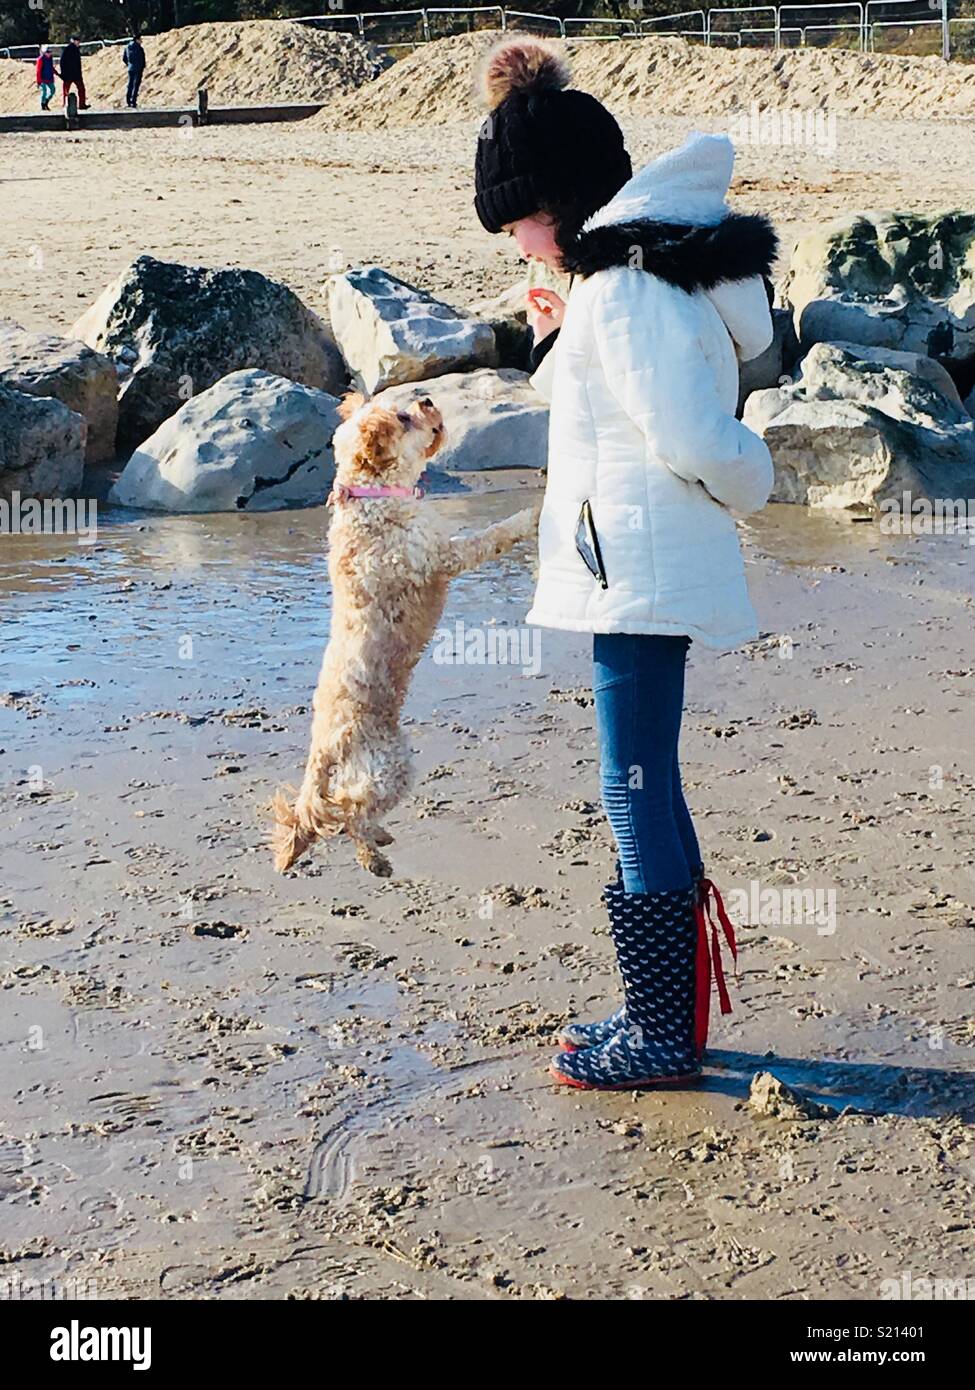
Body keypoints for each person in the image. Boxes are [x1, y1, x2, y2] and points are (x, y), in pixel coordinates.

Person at [474, 38, 779, 1091]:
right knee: (644, 778)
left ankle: (662, 1031)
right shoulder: (617, 282)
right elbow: (614, 409)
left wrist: (759, 474)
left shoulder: (634, 291)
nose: (514, 241)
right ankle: (666, 1011)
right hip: (633, 565)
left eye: (514, 218)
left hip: (639, 572)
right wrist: (566, 332)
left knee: (633, 781)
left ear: (556, 201)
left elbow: (692, 435)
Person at [58, 36, 89, 110]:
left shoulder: (70, 49)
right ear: (75, 41)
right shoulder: (71, 50)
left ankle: (67, 104)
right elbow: (63, 62)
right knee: (79, 89)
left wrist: (63, 73)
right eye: (78, 41)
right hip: (73, 74)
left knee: (68, 90)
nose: (79, 43)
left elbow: (62, 62)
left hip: (71, 74)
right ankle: (81, 104)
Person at [122, 31, 146, 109]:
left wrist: (129, 64)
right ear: (137, 39)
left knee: (130, 85)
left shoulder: (127, 47)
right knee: (136, 85)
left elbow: (124, 58)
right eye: (140, 39)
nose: (141, 41)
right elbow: (142, 59)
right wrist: (142, 66)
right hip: (138, 68)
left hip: (130, 68)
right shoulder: (139, 48)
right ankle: (133, 101)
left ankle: (128, 101)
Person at [35, 44, 56, 110]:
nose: (49, 53)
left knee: (53, 90)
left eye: (50, 52)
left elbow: (51, 67)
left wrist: (57, 73)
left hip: (49, 78)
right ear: (44, 52)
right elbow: (38, 71)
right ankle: (42, 104)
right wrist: (38, 81)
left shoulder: (50, 58)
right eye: (47, 52)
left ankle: (46, 102)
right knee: (44, 91)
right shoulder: (40, 59)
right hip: (42, 78)